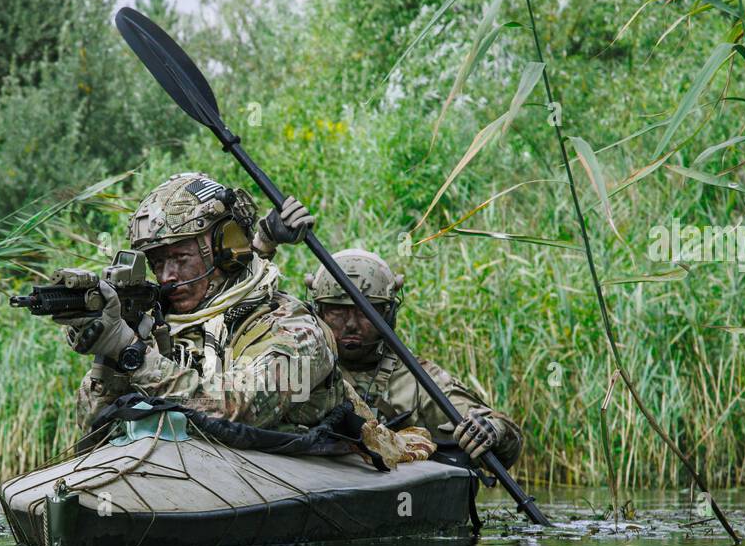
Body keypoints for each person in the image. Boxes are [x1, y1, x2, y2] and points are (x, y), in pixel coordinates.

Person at [59, 172, 346, 432]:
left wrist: (133, 354)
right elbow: (92, 430)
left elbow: (238, 412)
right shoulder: (162, 329)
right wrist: (110, 357)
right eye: (157, 263)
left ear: (226, 249)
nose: (166, 276)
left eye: (180, 258)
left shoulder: (295, 329)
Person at [305, 249, 522, 467]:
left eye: (365, 311)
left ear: (387, 314)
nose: (351, 324)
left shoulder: (417, 380)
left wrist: (494, 430)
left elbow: (506, 442)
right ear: (320, 312)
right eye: (338, 311)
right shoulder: (302, 370)